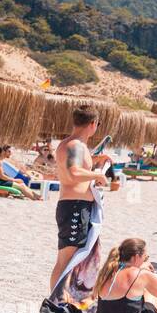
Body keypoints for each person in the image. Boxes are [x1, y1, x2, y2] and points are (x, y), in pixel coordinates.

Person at [49, 106, 112, 292]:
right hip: (74, 207)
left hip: (76, 207)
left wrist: (95, 159)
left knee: (74, 258)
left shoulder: (75, 145)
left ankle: (62, 301)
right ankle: (54, 304)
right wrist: (97, 176)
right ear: (93, 124)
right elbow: (74, 171)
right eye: (97, 124)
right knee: (66, 259)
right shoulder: (75, 145)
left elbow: (76, 165)